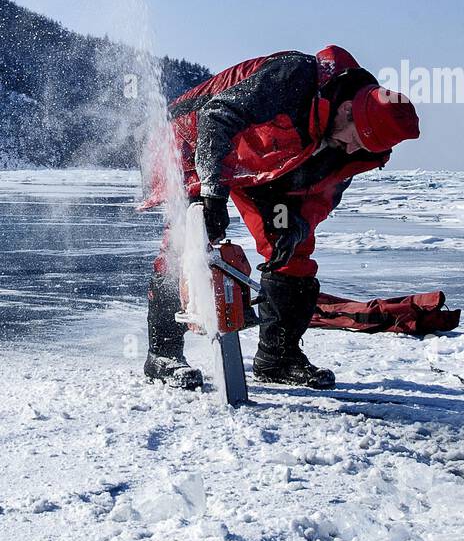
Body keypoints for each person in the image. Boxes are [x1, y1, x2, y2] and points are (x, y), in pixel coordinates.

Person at [144, 45, 419, 391]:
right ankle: (162, 354)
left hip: (261, 167)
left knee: (293, 252)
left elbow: (320, 191)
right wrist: (214, 195)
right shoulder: (294, 77)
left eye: (361, 151)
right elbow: (216, 116)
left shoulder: (358, 143)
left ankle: (278, 357)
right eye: (354, 142)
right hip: (194, 144)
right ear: (347, 110)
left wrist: (296, 225)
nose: (351, 151)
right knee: (186, 244)